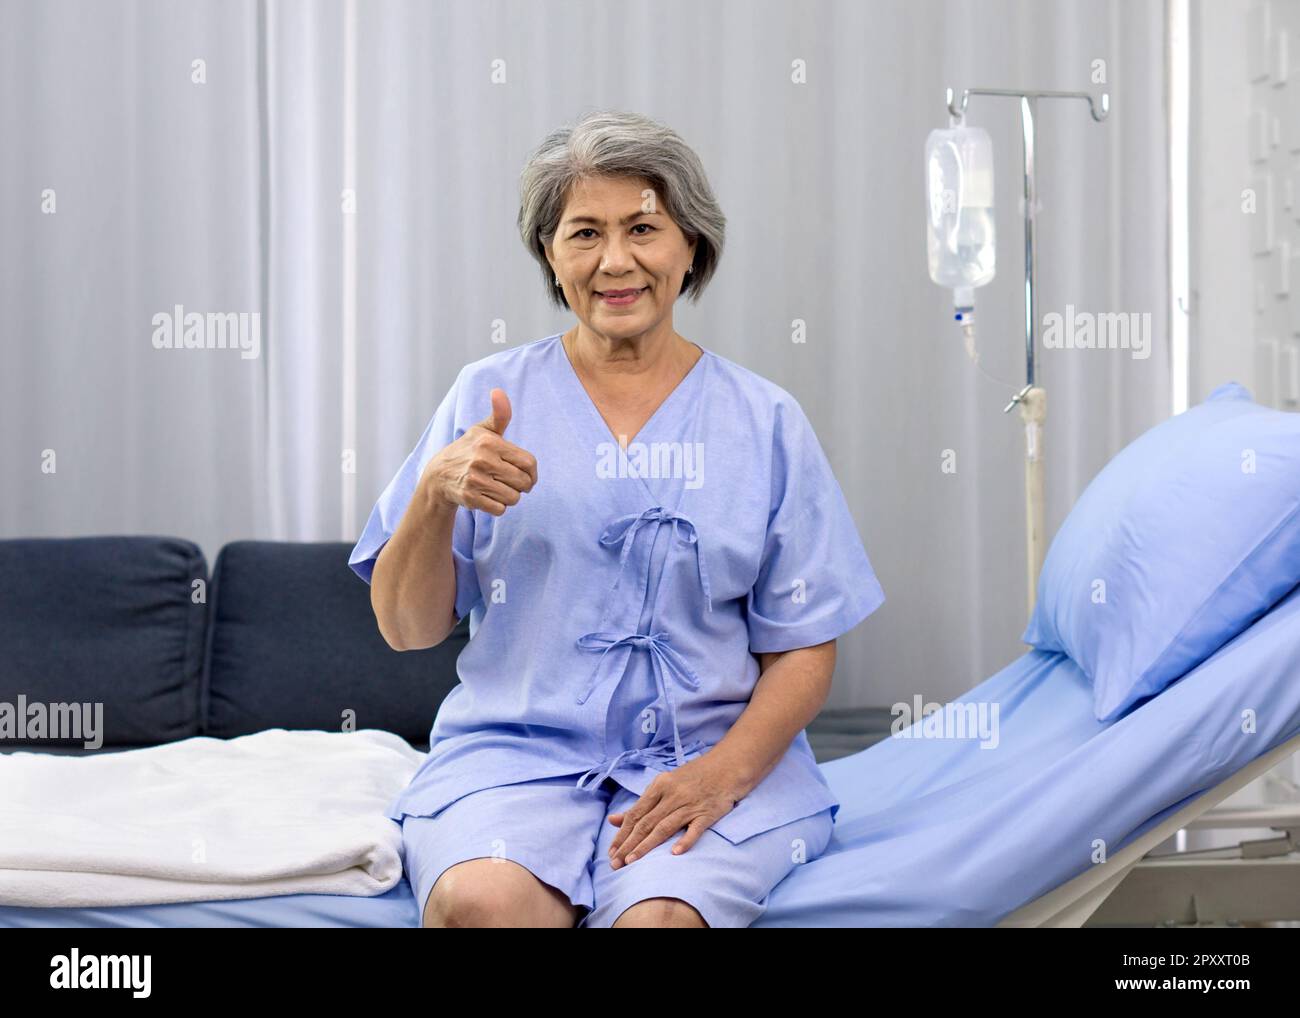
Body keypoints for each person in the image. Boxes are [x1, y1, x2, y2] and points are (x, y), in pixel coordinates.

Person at [350, 109, 885, 927]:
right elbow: (406, 628)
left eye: (643, 227)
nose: (615, 261)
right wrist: (431, 495)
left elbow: (806, 646)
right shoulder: (487, 397)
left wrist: (724, 775)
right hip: (515, 757)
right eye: (583, 233)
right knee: (479, 904)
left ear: (691, 246)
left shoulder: (765, 420)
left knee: (660, 920)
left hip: (714, 754)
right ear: (549, 255)